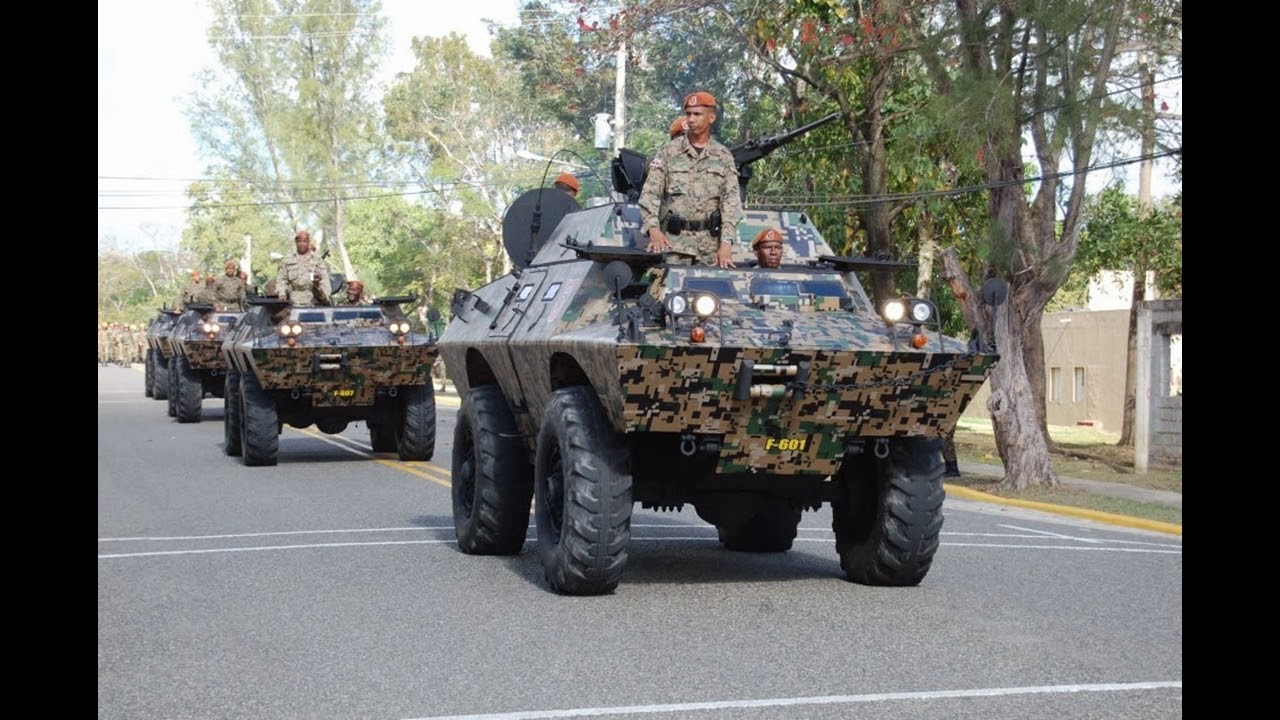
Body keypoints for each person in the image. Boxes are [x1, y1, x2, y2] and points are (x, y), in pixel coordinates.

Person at [639, 90, 742, 268]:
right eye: (688, 114)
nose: (691, 119)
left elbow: (731, 202)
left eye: (697, 114)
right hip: (674, 246)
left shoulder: (723, 156)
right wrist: (653, 230)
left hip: (710, 247)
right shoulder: (668, 152)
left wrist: (726, 243)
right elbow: (650, 193)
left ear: (711, 117)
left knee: (710, 295)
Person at [276, 230, 332, 306]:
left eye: (305, 241)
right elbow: (282, 279)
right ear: (296, 242)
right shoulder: (288, 260)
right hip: (293, 301)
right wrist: (282, 293)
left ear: (308, 242)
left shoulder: (317, 260)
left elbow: (325, 281)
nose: (302, 244)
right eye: (299, 241)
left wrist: (325, 297)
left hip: (313, 300)